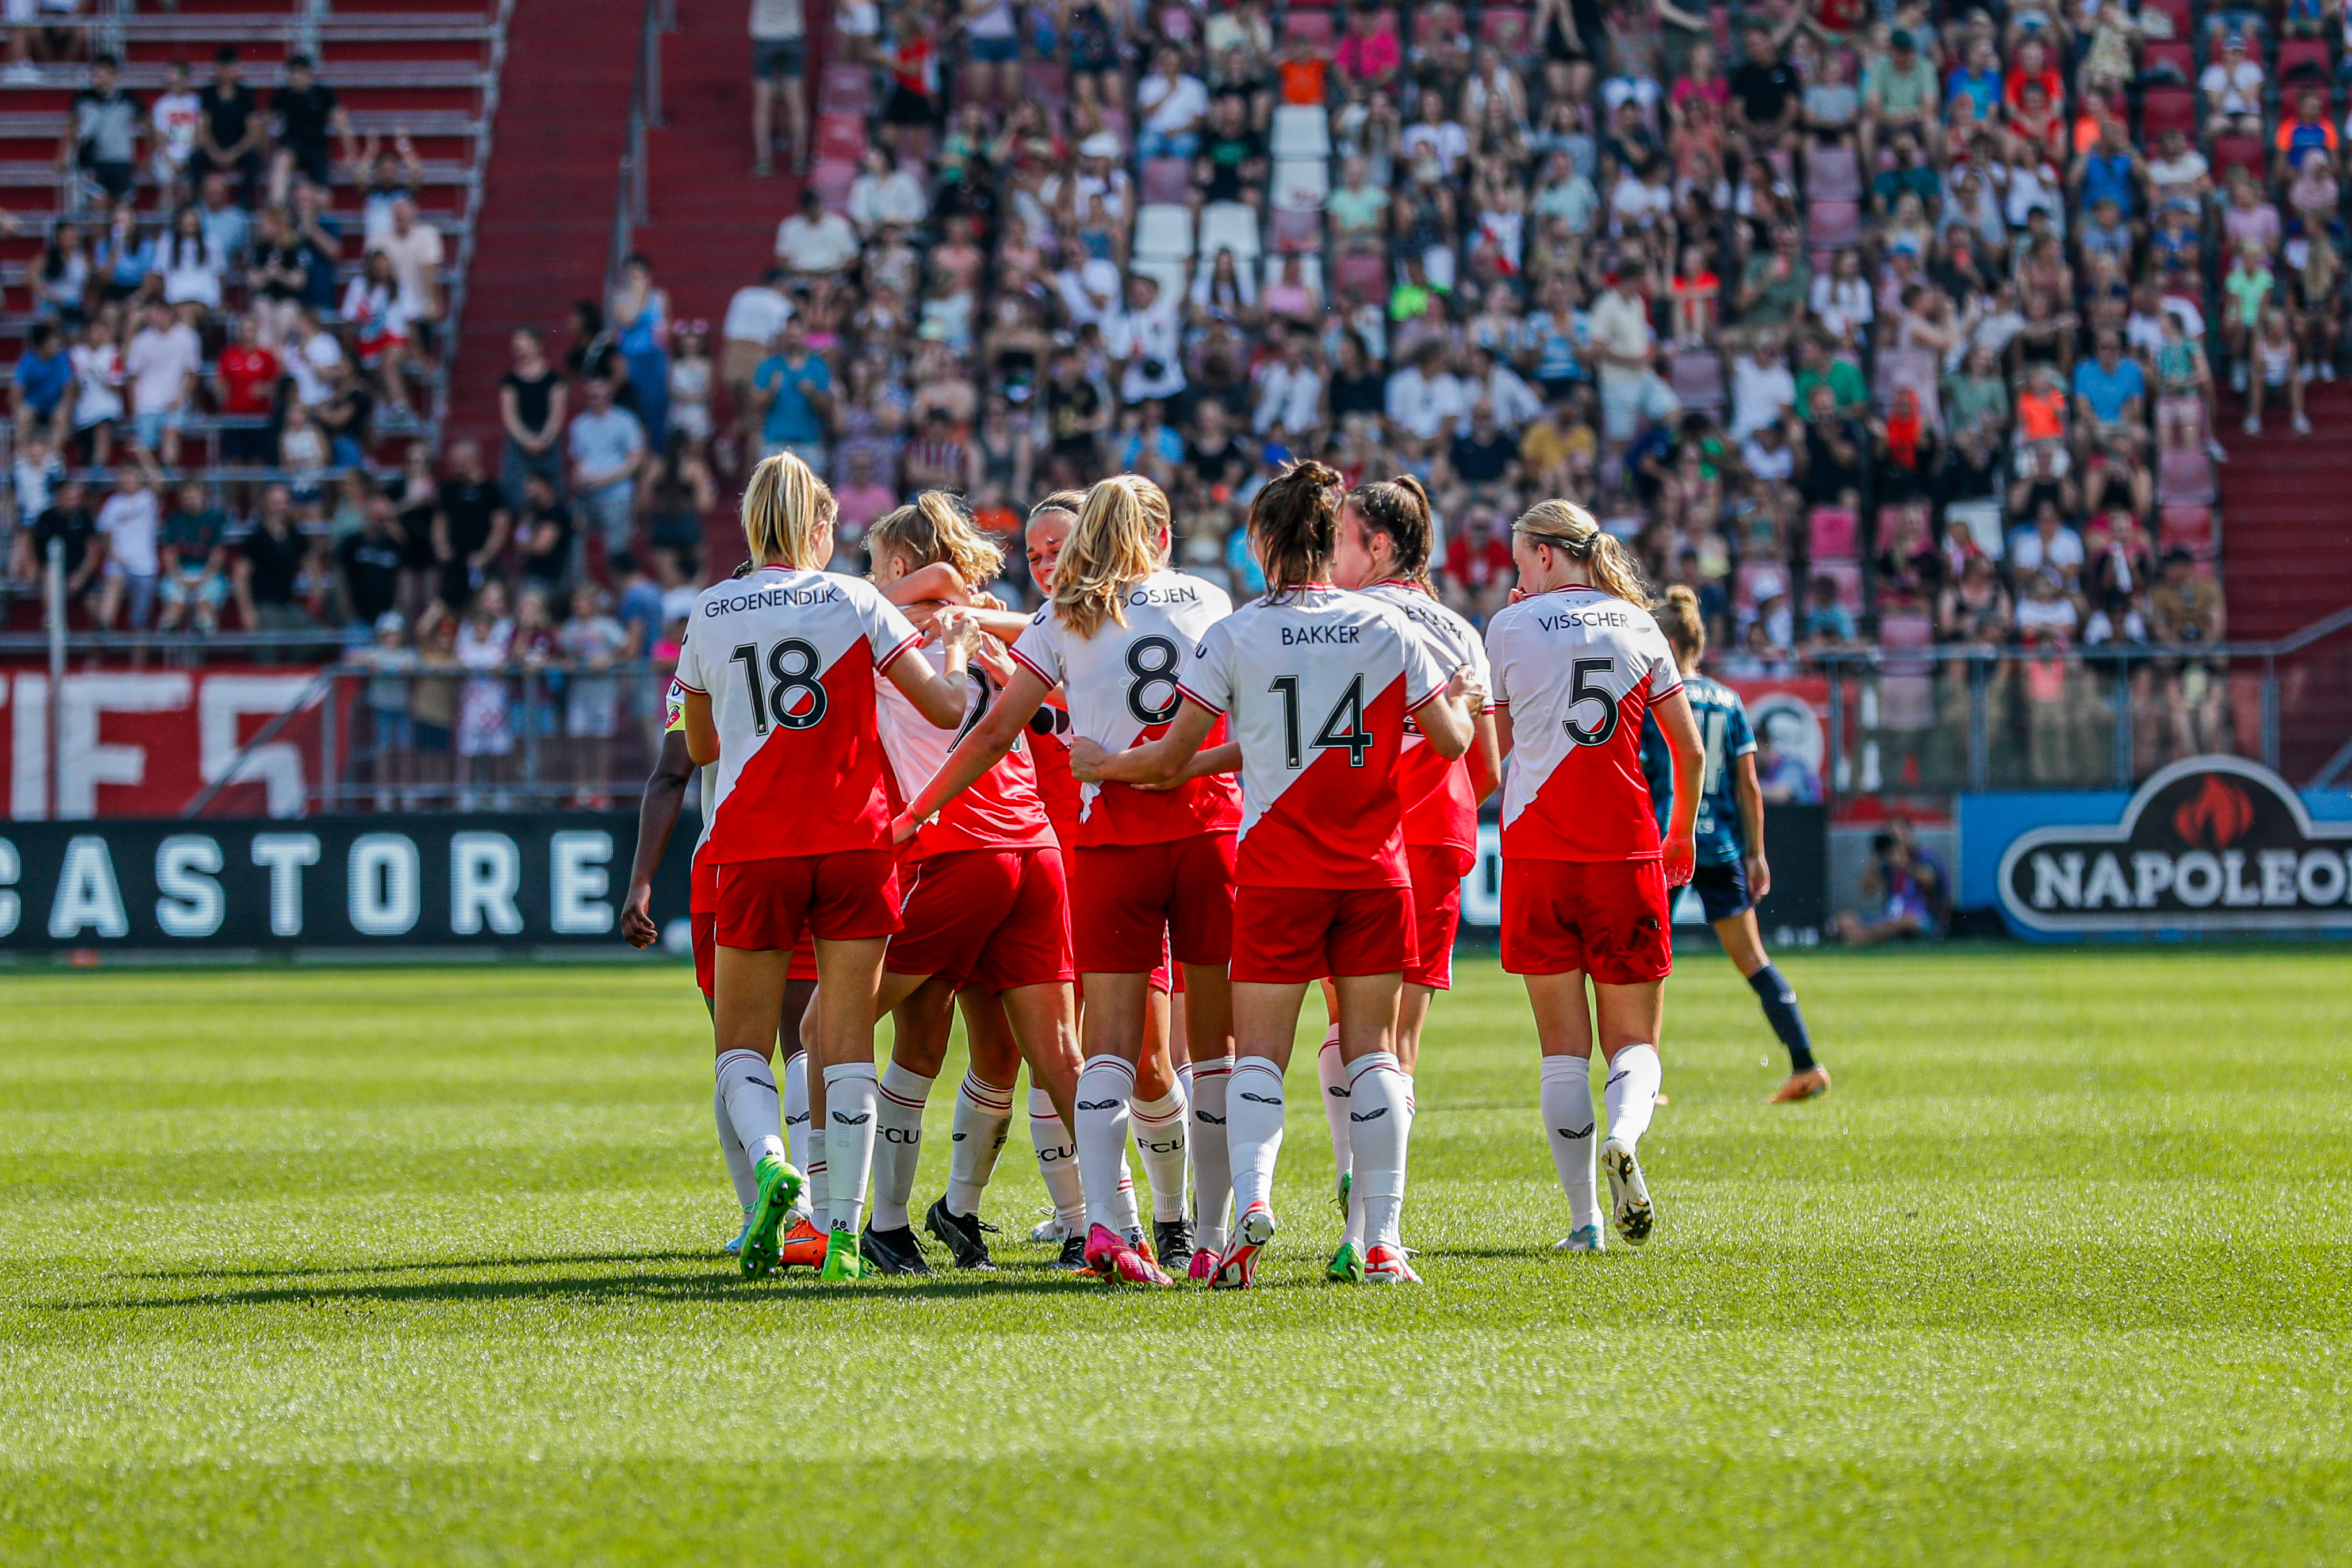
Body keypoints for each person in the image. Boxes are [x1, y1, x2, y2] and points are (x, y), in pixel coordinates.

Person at [1075, 462, 1480, 1287]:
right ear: (1332, 539)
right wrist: (1465, 699)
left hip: (1274, 868)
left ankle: (1250, 1208)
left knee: (1256, 1055)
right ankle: (1383, 1240)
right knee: (1371, 1055)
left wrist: (1104, 766)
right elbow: (1449, 743)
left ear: (1261, 540)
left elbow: (1173, 758)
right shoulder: (1386, 625)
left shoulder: (1235, 633)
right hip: (1373, 868)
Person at [894, 474, 1240, 1286]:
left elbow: (986, 733)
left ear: (1089, 539)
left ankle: (1109, 1229)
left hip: (1108, 840)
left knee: (1107, 1055)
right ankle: (1212, 1235)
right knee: (1209, 1052)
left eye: (1061, 546)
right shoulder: (1210, 599)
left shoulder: (1062, 617)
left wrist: (917, 809)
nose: (1050, 562)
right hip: (1206, 829)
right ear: (1157, 530)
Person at [674, 451, 982, 1282]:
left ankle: (773, 1163)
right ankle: (844, 1234)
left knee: (740, 1047)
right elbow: (949, 708)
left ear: (749, 525)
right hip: (854, 839)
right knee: (843, 1047)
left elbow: (698, 746)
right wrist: (954, 646)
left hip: (752, 842)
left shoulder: (708, 609)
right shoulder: (856, 598)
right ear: (819, 528)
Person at [846, 493, 1087, 1275]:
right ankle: (1103, 1223)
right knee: (1056, 1054)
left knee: (837, 1026)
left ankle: (850, 1217)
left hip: (955, 850)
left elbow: (920, 583)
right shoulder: (994, 629)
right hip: (1034, 850)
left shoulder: (899, 628)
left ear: (900, 568)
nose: (866, 579)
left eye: (877, 564)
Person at [1484, 499, 1702, 1252]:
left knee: (1560, 1049)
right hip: (1625, 854)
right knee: (1634, 1039)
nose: (1516, 577)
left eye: (1518, 561)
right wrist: (1680, 832)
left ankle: (1584, 1221)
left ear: (1544, 555)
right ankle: (1627, 1134)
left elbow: (1496, 751)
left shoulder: (1508, 625)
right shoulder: (1640, 623)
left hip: (1537, 853)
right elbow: (1689, 750)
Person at [1312, 473, 1500, 1279]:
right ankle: (1373, 1223)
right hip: (1434, 837)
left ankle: (1357, 1192)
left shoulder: (1342, 621)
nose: (1327, 552)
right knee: (1395, 1044)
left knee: (1344, 1028)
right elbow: (1487, 766)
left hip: (1349, 831)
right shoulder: (1461, 628)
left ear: (1378, 545)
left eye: (1340, 537)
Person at [1639, 588, 1830, 1103]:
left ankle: (1645, 1083)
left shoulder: (1655, 697)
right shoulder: (1728, 699)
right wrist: (1755, 852)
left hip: (1668, 844)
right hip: (1720, 846)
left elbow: (1640, 775)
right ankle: (1806, 1063)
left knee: (1648, 962)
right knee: (1754, 959)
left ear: (1668, 640)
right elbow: (1748, 786)